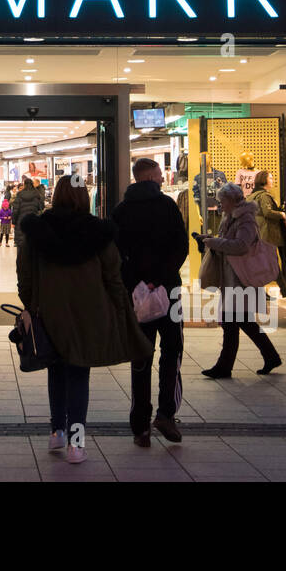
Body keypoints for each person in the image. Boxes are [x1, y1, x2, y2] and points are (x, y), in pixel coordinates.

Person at [18, 175, 149, 463]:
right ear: (84, 197)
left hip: (50, 312)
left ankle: (57, 433)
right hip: (89, 313)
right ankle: (76, 445)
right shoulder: (99, 234)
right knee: (79, 373)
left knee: (56, 370)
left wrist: (31, 304)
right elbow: (113, 277)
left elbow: (25, 275)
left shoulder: (38, 231)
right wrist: (119, 308)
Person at [111, 157, 189, 446]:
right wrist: (161, 277)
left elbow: (116, 254)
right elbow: (181, 246)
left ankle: (140, 425)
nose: (161, 179)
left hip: (136, 294)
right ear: (151, 177)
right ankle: (166, 413)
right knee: (173, 350)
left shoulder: (121, 211)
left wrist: (138, 281)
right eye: (158, 175)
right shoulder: (168, 206)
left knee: (141, 355)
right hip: (168, 291)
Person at [198, 182, 281, 378]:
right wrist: (209, 239)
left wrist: (214, 242)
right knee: (239, 321)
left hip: (241, 278)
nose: (220, 205)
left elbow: (242, 246)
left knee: (233, 322)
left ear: (233, 200)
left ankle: (225, 366)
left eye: (222, 201)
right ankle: (269, 357)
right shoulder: (232, 218)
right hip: (233, 278)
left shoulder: (246, 220)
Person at [250, 170, 286, 298]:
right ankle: (264, 292)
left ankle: (283, 288)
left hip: (258, 233)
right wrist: (281, 214)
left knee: (269, 263)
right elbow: (267, 212)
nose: (273, 180)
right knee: (268, 263)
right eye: (270, 178)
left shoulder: (252, 196)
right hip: (266, 234)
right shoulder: (263, 196)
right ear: (264, 180)